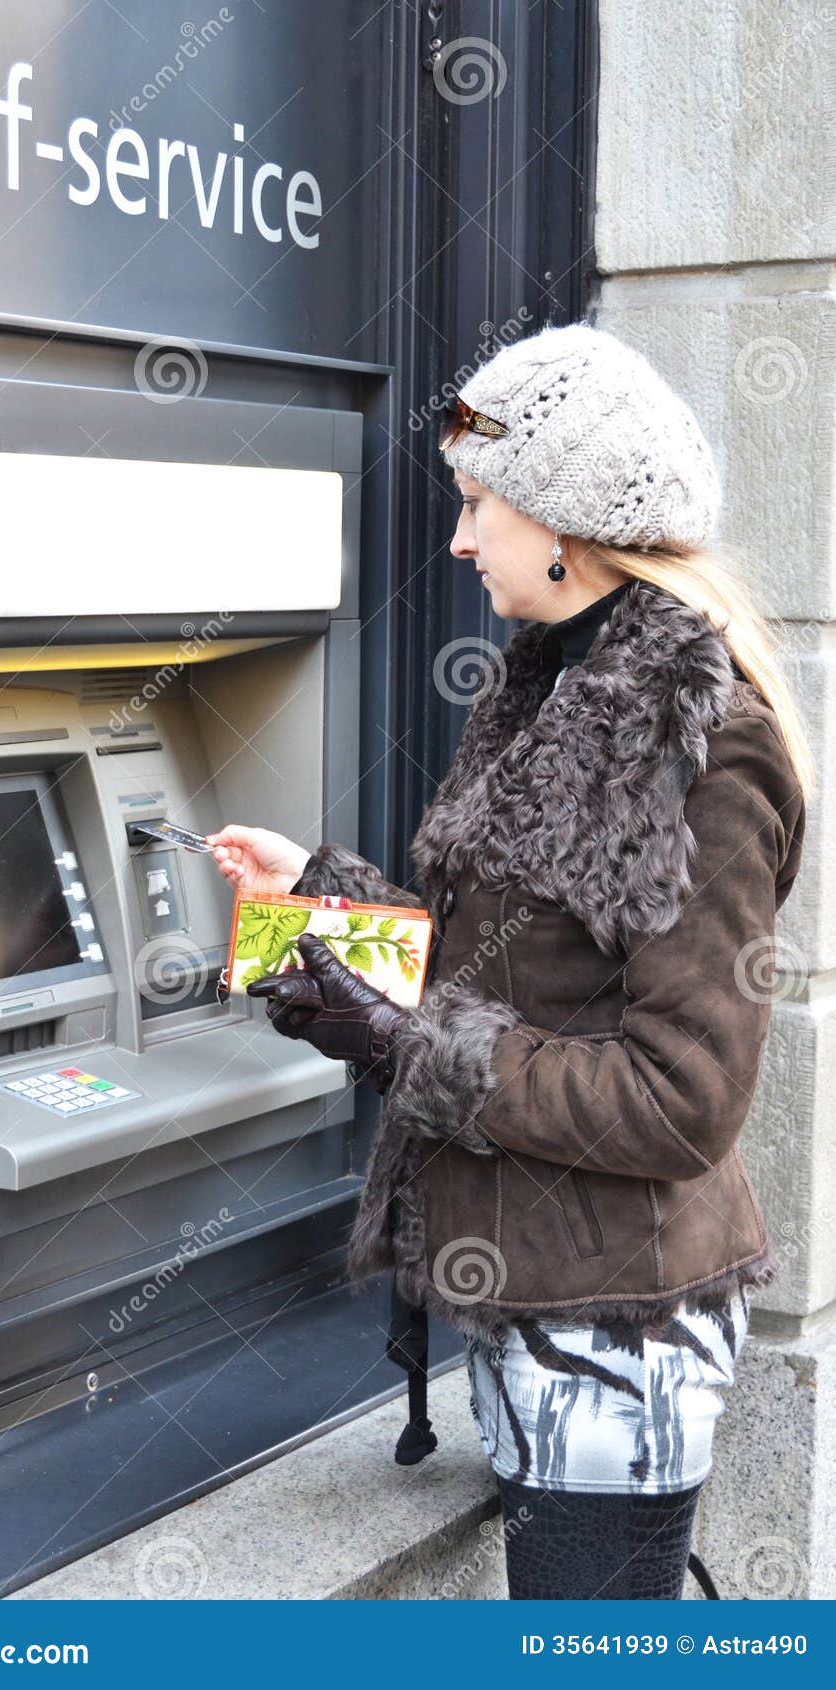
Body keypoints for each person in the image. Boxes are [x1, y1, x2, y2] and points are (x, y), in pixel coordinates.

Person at [204, 320, 813, 1600]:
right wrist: (309, 910)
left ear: (563, 517)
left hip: (614, 1341)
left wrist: (403, 1040)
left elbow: (680, 1097)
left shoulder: (699, 739)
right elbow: (505, 976)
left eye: (478, 503)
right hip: (540, 1302)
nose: (458, 539)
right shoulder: (549, 680)